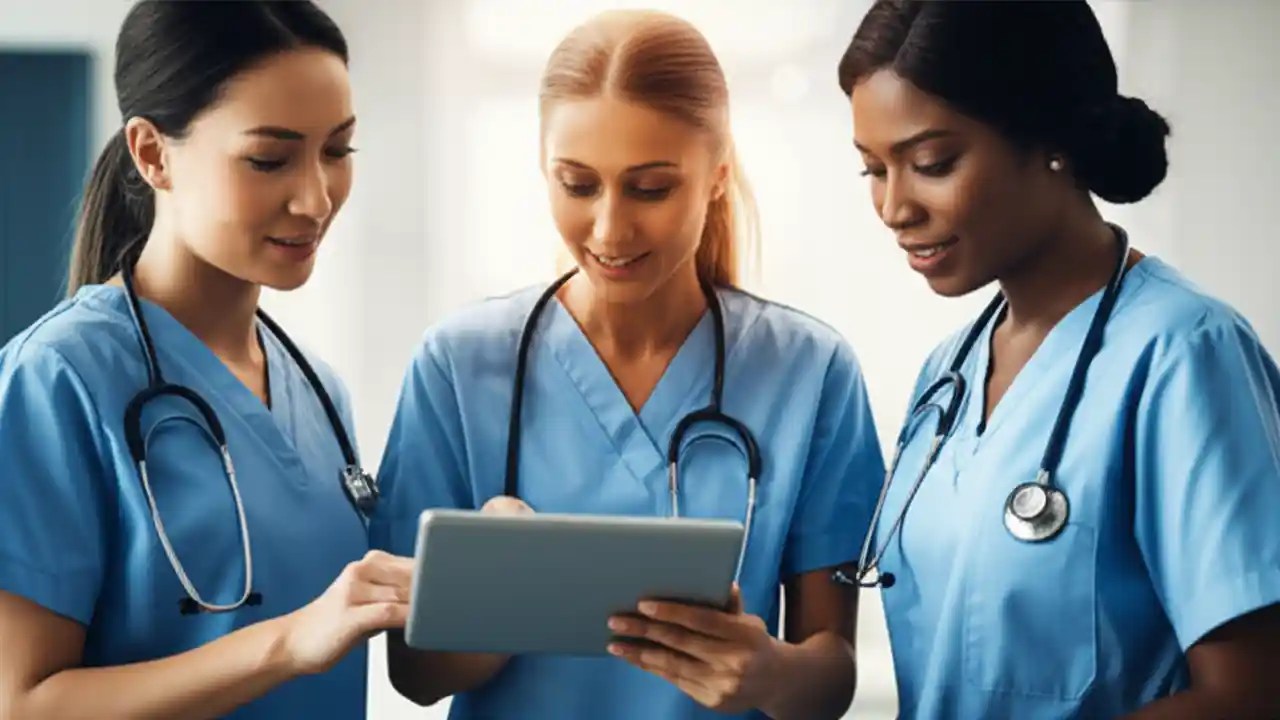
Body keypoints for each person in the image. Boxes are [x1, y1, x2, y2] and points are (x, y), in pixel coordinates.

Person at [370, 9, 884, 720]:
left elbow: (832, 674)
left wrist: (767, 673)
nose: (609, 230)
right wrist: (497, 601)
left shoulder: (811, 373)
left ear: (716, 176)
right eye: (578, 185)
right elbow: (415, 675)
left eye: (650, 188)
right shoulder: (457, 368)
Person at [835, 1, 1280, 718]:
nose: (894, 207)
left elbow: (1252, 696)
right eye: (872, 171)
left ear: (1050, 142)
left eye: (930, 164)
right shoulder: (946, 377)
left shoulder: (1185, 355)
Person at [0, 2, 413, 718]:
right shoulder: (56, 382)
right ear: (153, 153)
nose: (316, 197)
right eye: (269, 158)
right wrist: (286, 643)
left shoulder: (319, 393)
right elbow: (23, 703)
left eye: (338, 151)